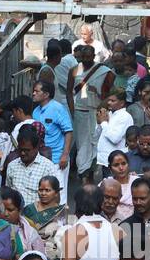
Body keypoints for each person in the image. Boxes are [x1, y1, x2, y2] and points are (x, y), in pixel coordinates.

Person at [67, 44, 114, 180]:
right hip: (80, 113)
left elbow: (110, 94)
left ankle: (91, 173)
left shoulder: (104, 71)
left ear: (94, 56)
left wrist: (98, 94)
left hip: (96, 113)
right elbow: (69, 93)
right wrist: (72, 111)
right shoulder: (74, 70)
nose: (86, 60)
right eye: (83, 57)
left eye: (89, 57)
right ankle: (83, 172)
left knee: (95, 144)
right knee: (82, 146)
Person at [30, 80, 73, 180]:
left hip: (57, 158)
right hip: (41, 159)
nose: (33, 93)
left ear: (46, 94)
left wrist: (65, 155)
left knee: (59, 192)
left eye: (37, 91)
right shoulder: (36, 111)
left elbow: (68, 132)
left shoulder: (58, 108)